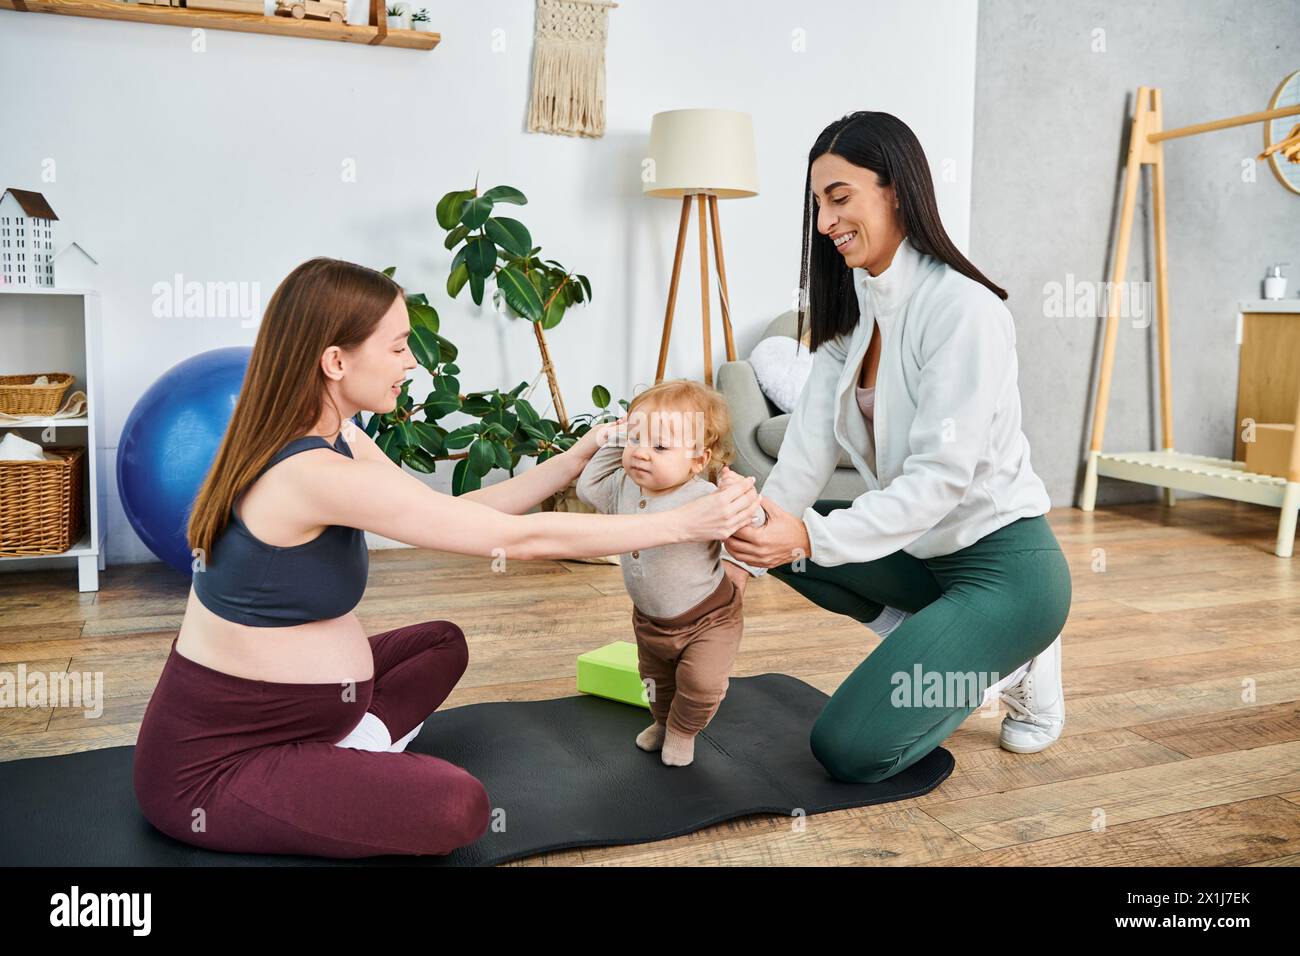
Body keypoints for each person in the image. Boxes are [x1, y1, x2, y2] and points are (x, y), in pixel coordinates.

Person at [132, 257, 761, 859]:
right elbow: (514, 540)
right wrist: (678, 523)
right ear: (335, 360)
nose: (411, 361)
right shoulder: (311, 473)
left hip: (309, 713)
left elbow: (472, 511)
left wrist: (574, 459)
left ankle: (353, 746)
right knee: (458, 808)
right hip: (217, 767)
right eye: (398, 346)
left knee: (441, 644)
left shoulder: (338, 436)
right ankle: (342, 757)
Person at [720, 111, 1071, 785]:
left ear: (898, 192)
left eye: (840, 198)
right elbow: (807, 449)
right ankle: (948, 642)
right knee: (778, 538)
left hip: (1006, 570)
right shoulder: (856, 303)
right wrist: (742, 561)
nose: (825, 222)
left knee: (849, 749)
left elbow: (940, 481)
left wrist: (806, 539)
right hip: (920, 556)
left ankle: (1018, 657)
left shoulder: (964, 312)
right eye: (818, 203)